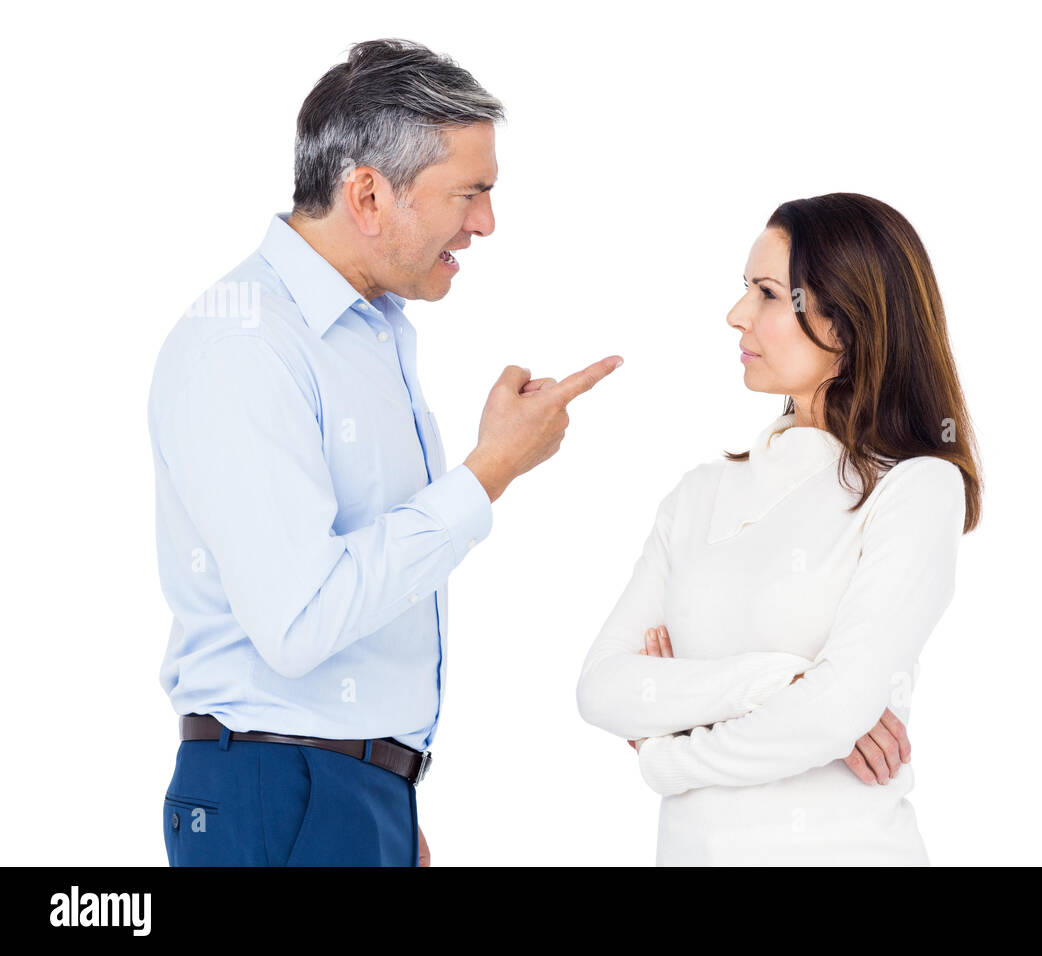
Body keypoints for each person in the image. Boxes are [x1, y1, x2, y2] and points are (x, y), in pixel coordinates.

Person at [150, 38, 620, 866]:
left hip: (339, 791)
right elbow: (299, 623)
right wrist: (490, 472)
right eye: (470, 193)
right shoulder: (245, 341)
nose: (486, 222)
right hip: (282, 789)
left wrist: (380, 787)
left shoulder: (368, 333)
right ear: (366, 193)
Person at [576, 193, 982, 866]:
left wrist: (664, 754)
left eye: (768, 293)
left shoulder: (915, 489)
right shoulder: (698, 495)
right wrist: (779, 682)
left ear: (848, 323)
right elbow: (603, 688)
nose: (737, 315)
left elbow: (834, 713)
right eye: (745, 290)